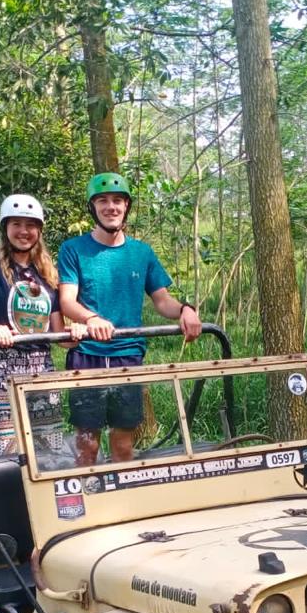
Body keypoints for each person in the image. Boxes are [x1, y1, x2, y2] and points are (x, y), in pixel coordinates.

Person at [57, 172, 202, 465]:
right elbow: (67, 301)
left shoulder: (141, 252)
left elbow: (162, 301)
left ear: (126, 207)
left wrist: (186, 309)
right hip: (88, 355)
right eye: (103, 201)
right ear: (93, 207)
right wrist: (91, 319)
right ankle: (87, 503)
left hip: (128, 356)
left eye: (117, 201)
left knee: (123, 446)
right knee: (87, 446)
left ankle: (121, 504)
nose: (111, 207)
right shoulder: (73, 249)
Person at [0, 193, 83, 457]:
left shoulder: (48, 271)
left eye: (30, 225)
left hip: (41, 368)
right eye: (16, 224)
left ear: (39, 230)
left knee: (49, 451)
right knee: (7, 452)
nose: (24, 231)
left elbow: (58, 334)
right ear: (5, 227)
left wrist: (74, 333)